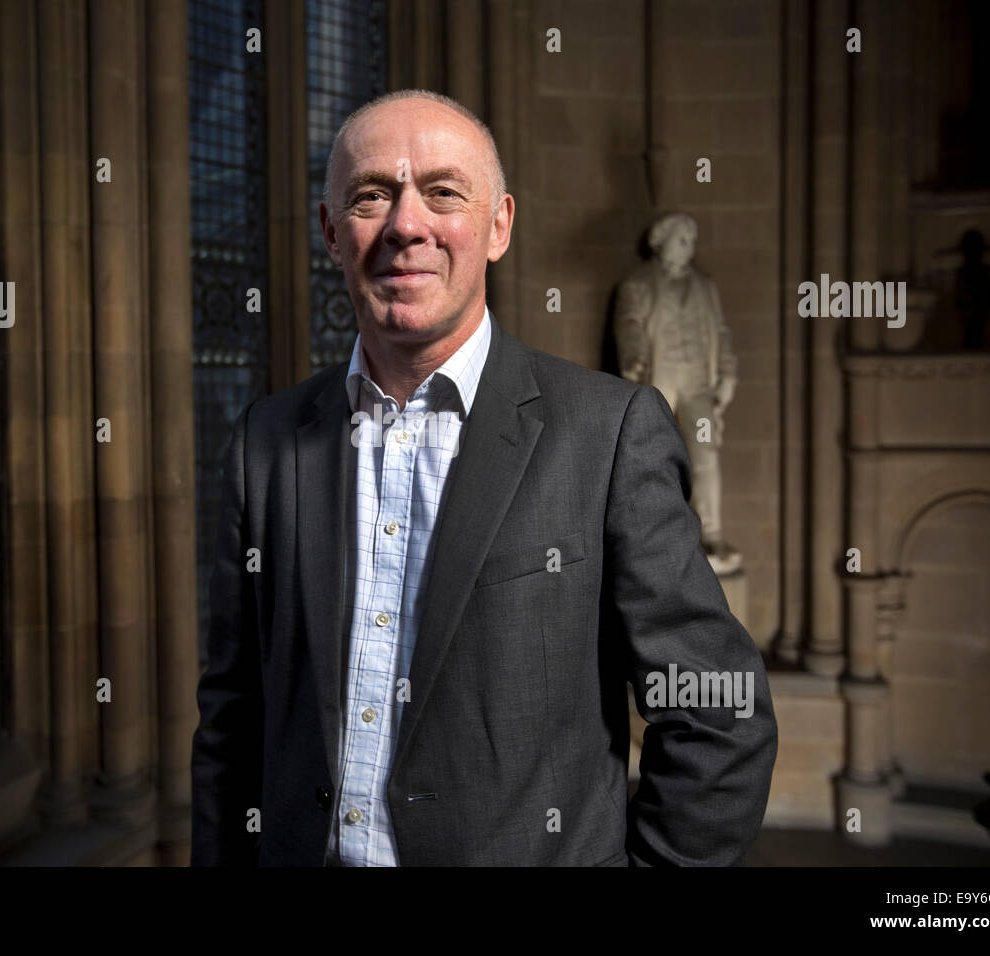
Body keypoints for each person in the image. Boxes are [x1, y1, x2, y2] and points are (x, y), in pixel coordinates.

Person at [190, 89, 777, 866]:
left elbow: (718, 713)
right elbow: (234, 720)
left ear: (498, 225)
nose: (407, 225)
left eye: (442, 192)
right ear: (331, 232)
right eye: (372, 195)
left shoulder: (608, 434)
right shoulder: (264, 444)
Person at [615, 212, 741, 574]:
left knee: (705, 457)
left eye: (691, 239)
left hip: (697, 383)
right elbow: (629, 325)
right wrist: (635, 359)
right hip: (660, 380)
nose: (689, 245)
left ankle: (711, 534)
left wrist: (728, 373)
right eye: (681, 237)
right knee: (652, 457)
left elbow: (721, 331)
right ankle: (651, 536)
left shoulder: (705, 286)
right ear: (661, 240)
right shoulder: (638, 283)